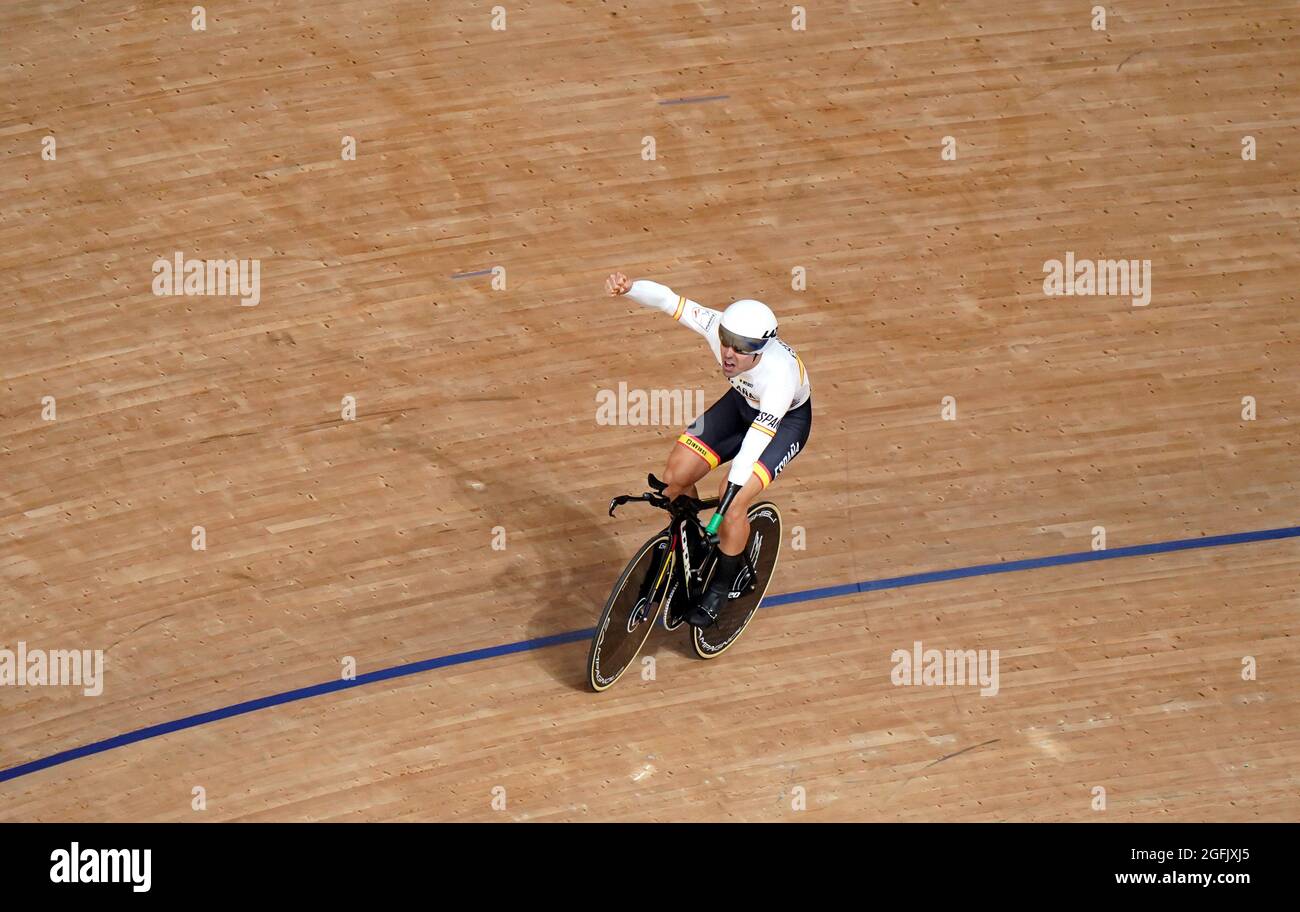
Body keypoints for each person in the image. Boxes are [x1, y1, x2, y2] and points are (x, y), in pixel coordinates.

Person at [605, 272, 812, 627]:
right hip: (742, 404)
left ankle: (724, 580)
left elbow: (755, 444)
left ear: (760, 349)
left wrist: (733, 488)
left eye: (742, 348)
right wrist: (630, 289)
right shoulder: (718, 327)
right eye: (726, 341)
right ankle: (695, 546)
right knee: (674, 478)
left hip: (783, 424)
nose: (729, 352)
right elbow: (670, 300)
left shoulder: (779, 378)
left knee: (732, 500)